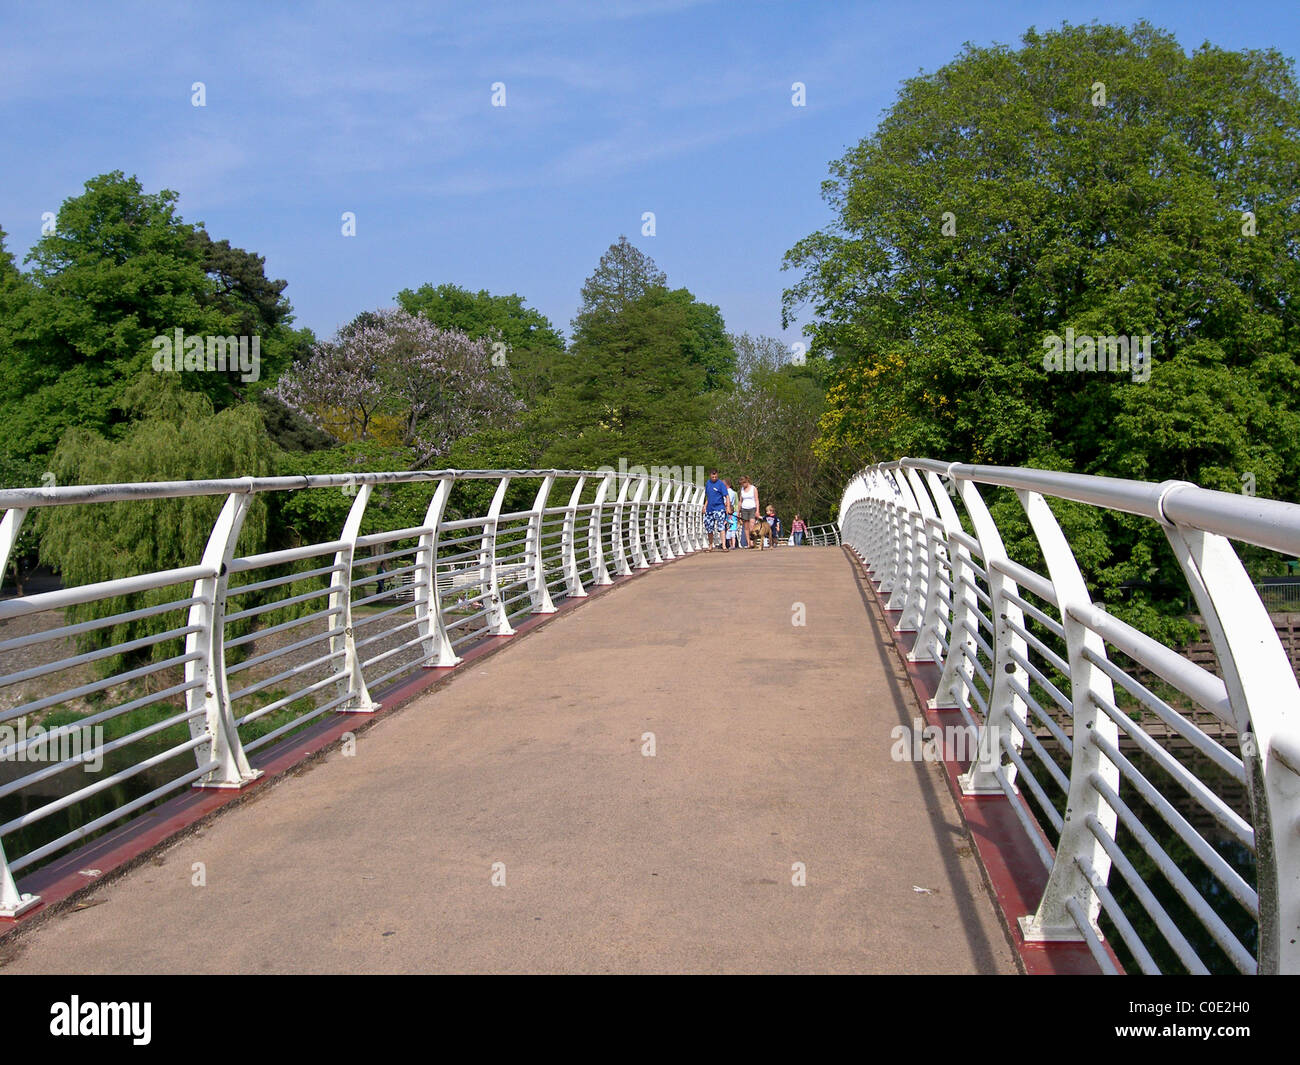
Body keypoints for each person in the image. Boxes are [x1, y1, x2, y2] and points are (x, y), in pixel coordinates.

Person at [701, 469, 729, 550]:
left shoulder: (720, 484)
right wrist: (705, 506)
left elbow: (726, 496)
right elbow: (708, 497)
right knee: (709, 528)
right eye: (712, 476)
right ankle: (710, 545)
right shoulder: (708, 483)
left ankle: (724, 545)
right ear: (710, 475)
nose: (714, 478)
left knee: (721, 527)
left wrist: (727, 507)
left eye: (715, 476)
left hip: (719, 508)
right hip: (710, 509)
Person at [738, 476, 760, 547]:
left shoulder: (753, 488)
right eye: (742, 484)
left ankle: (753, 541)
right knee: (746, 527)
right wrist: (738, 511)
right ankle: (748, 543)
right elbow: (740, 501)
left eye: (744, 483)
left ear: (747, 481)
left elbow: (756, 499)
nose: (743, 485)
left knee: (752, 526)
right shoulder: (742, 490)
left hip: (752, 508)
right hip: (744, 509)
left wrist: (757, 510)